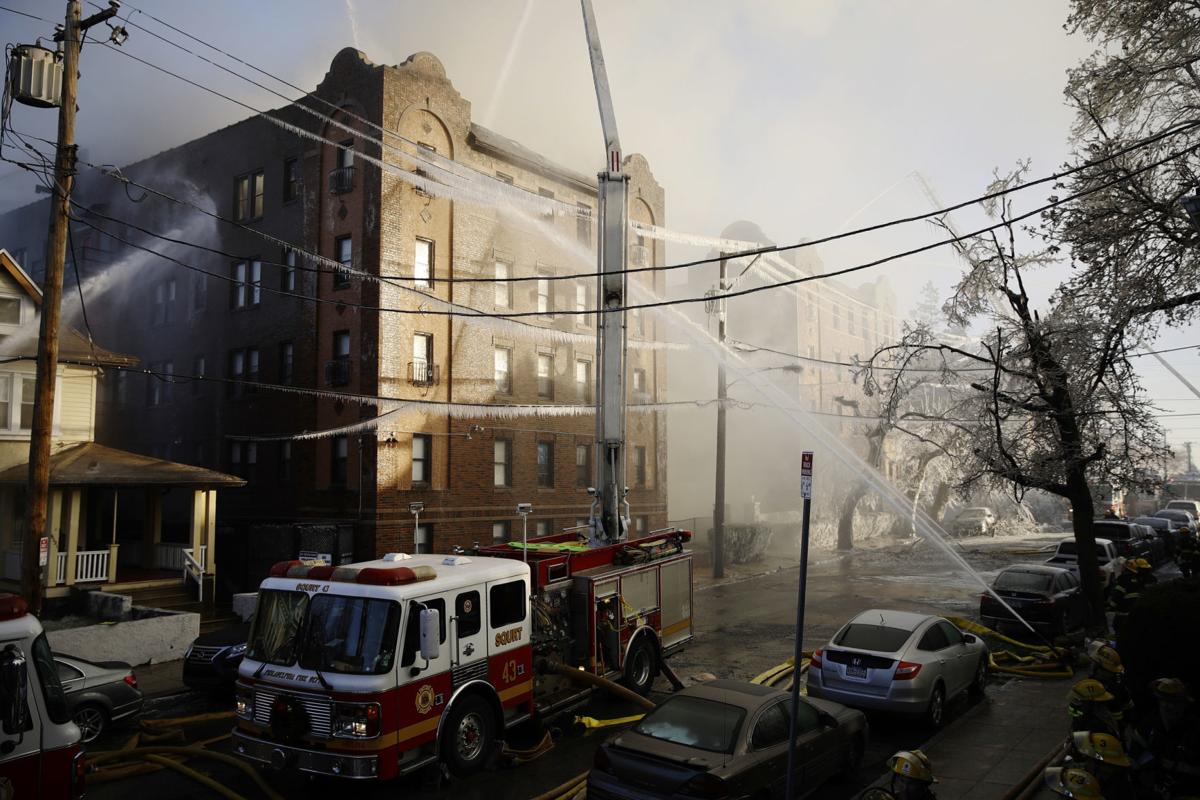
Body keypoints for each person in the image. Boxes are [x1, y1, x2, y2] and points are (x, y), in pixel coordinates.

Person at [1131, 678, 1200, 797]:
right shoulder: (1148, 724)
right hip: (1150, 790)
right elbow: (1135, 757)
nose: (1169, 706)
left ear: (1184, 704)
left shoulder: (1194, 729)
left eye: (1175, 702)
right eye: (1165, 701)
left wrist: (1180, 767)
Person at [1068, 731, 1135, 799]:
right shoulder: (1119, 779)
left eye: (1088, 759)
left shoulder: (1110, 790)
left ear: (1103, 765)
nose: (1086, 765)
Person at [1086, 641, 1133, 727]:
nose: (1092, 666)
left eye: (1095, 664)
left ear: (1103, 669)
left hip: (1107, 728)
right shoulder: (1118, 682)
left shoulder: (1105, 689)